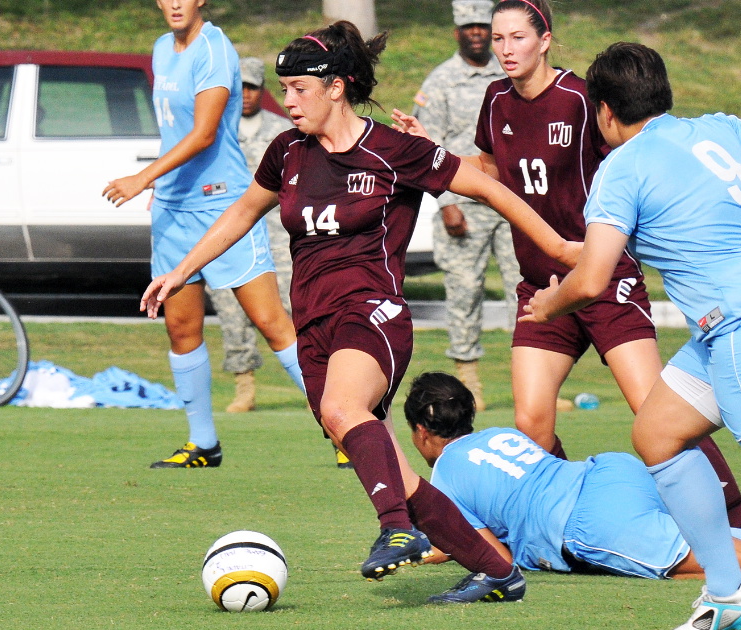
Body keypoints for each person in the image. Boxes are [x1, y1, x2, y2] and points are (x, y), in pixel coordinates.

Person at [141, 21, 583, 604]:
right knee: (391, 473)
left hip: (373, 312)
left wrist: (558, 248)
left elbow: (490, 190)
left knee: (344, 408)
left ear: (336, 87)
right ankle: (498, 571)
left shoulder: (392, 150)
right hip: (316, 328)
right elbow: (242, 212)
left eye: (299, 87)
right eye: (285, 88)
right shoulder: (287, 152)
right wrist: (178, 270)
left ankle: (395, 530)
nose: (288, 100)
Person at [522, 41, 741, 629]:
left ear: (605, 112)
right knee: (659, 434)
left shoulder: (622, 167)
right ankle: (727, 594)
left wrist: (548, 305)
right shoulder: (715, 131)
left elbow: (589, 280)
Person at [392, 0, 741, 528]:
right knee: (531, 420)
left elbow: (633, 161)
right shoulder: (495, 99)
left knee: (657, 412)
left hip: (602, 279)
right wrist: (431, 149)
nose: (506, 49)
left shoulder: (582, 100)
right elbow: (490, 171)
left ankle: (738, 521)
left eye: (518, 37)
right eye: (498, 39)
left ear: (545, 40)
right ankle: (569, 518)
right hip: (540, 288)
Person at [403, 371, 741, 583]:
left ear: (422, 432)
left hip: (590, 519)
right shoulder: (499, 432)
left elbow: (492, 552)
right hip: (612, 472)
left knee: (737, 563)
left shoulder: (443, 476)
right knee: (710, 554)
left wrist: (426, 553)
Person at [102, 0, 305, 469]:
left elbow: (205, 133)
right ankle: (204, 444)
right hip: (173, 209)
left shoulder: (215, 49)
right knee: (180, 326)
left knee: (271, 322)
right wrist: (164, 186)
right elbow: (174, 132)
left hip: (221, 204)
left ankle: (345, 429)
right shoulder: (160, 49)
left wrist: (142, 178)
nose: (175, 3)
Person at [410, 0, 523, 411]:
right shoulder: (441, 81)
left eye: (483, 27)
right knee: (463, 292)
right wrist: (444, 202)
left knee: (523, 289)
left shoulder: (510, 75)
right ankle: (467, 384)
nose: (477, 34)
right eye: (469, 27)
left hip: (511, 200)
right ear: (457, 32)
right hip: (462, 202)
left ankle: (530, 379)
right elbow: (427, 147)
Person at [202, 57, 293, 413]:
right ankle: (245, 387)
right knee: (230, 307)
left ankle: (312, 378)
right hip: (232, 231)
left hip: (279, 234)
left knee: (291, 305)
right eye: (240, 88)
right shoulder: (215, 129)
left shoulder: (284, 130)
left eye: (253, 87)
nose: (246, 95)